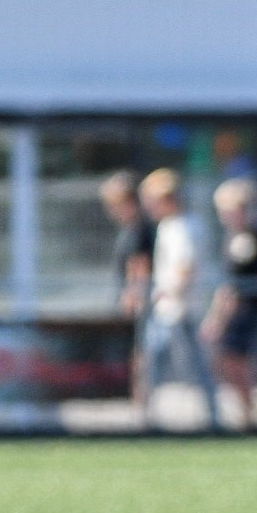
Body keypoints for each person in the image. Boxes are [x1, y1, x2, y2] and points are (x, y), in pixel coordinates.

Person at [138, 168, 220, 431]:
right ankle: (149, 419)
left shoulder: (185, 227)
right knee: (152, 364)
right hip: (167, 310)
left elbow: (186, 267)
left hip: (181, 310)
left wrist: (168, 291)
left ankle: (212, 420)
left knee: (192, 368)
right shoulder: (169, 226)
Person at [204, 176, 257, 429]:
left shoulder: (256, 237)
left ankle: (249, 417)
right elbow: (227, 284)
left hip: (247, 311)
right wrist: (215, 316)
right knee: (224, 362)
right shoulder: (231, 238)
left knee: (239, 362)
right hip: (231, 311)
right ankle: (244, 412)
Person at [101, 171, 154, 408]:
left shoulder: (140, 229)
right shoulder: (130, 228)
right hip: (136, 303)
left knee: (143, 358)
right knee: (137, 358)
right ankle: (140, 408)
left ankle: (143, 410)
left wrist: (133, 295)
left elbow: (139, 265)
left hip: (144, 305)